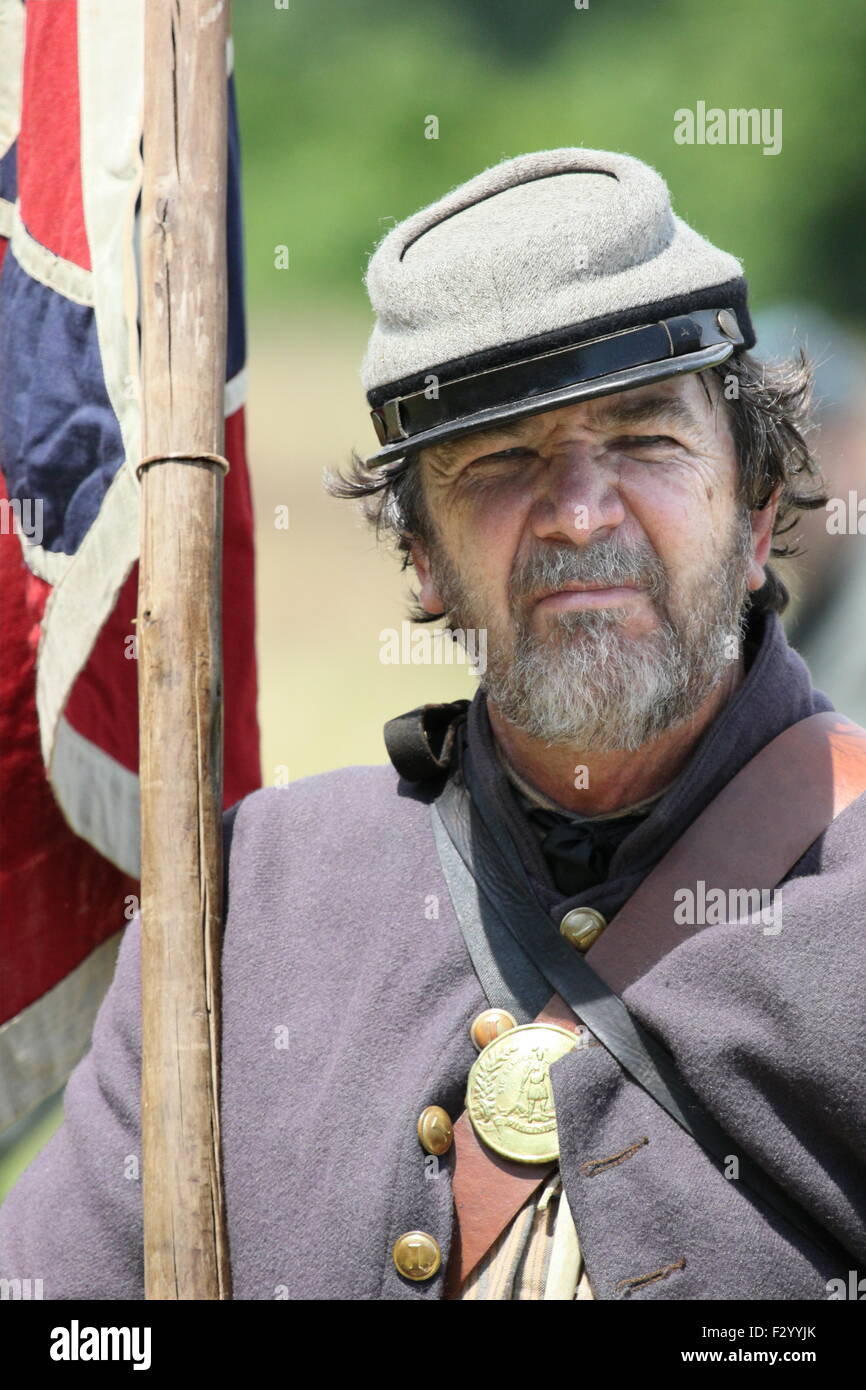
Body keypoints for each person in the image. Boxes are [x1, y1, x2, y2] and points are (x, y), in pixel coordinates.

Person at [2, 146, 865, 1302]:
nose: (574, 513)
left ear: (757, 511)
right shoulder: (246, 900)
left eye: (644, 438)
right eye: (502, 461)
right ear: (421, 562)